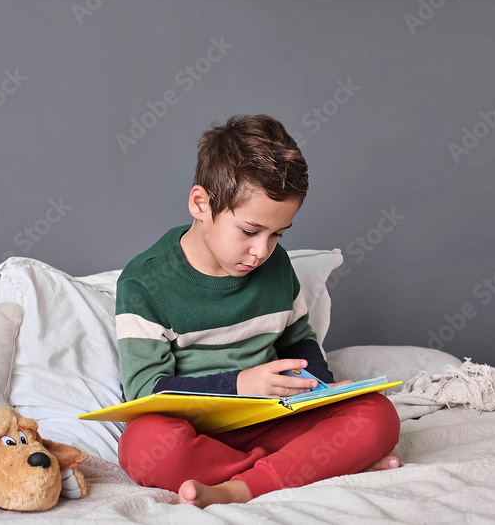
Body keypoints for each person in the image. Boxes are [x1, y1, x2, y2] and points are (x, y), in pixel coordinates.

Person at [115, 114, 400, 508]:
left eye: (277, 234)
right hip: (199, 432)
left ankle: (243, 484)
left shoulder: (276, 266)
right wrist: (238, 384)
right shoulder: (145, 283)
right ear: (201, 203)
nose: (262, 251)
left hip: (275, 419)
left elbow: (297, 339)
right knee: (143, 445)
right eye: (250, 231)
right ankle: (302, 469)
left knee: (378, 415)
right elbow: (145, 390)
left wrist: (320, 387)